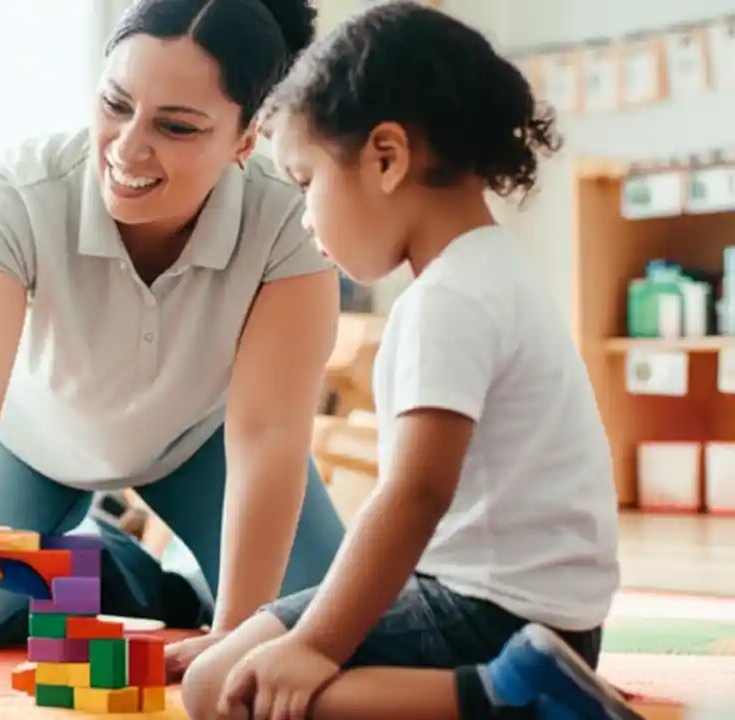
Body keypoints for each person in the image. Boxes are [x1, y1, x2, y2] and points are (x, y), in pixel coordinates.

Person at [180, 4, 638, 719]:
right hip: (550, 618)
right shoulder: (493, 270)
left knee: (222, 691)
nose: (305, 218)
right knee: (233, 658)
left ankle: (512, 702)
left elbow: (415, 493)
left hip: (491, 615)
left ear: (386, 157)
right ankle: (520, 690)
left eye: (306, 184)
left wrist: (317, 646)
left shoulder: (447, 300)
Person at [0, 0, 346, 671]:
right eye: (115, 104)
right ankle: (99, 558)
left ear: (246, 140)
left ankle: (162, 583)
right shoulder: (17, 194)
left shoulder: (289, 215)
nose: (130, 147)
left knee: (311, 618)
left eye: (177, 127)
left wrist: (231, 632)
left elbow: (269, 431)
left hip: (201, 443)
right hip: (33, 443)